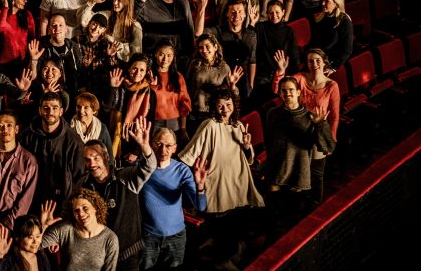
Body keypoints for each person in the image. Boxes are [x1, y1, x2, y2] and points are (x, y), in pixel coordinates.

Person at [177, 88, 264, 262]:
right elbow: (188, 155)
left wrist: (247, 146)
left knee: (234, 225)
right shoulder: (209, 125)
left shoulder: (238, 125)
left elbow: (249, 160)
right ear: (214, 108)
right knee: (221, 226)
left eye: (228, 105)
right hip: (218, 186)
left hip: (237, 184)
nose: (225, 109)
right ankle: (222, 259)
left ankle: (232, 254)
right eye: (220, 106)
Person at [79, 118, 156, 271]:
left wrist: (144, 146)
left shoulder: (125, 177)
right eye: (88, 160)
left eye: (96, 158)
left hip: (128, 255)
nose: (92, 164)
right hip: (101, 256)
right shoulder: (84, 186)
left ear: (107, 157)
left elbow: (149, 166)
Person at [272, 48, 340, 206]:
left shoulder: (332, 86)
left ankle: (316, 206)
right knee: (300, 172)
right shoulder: (300, 79)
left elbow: (334, 116)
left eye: (317, 60)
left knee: (316, 174)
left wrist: (331, 140)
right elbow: (278, 89)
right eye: (310, 61)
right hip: (299, 132)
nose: (314, 64)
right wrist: (281, 71)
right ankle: (300, 205)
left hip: (317, 133)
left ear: (324, 62)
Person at [139, 126, 207, 270]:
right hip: (149, 235)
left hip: (176, 236)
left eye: (168, 145)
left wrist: (200, 187)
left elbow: (200, 207)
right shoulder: (141, 168)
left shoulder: (182, 170)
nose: (163, 150)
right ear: (151, 144)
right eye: (159, 144)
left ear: (175, 148)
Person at [264, 76, 334, 204]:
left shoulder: (310, 116)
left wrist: (321, 124)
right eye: (283, 90)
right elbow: (269, 142)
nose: (287, 93)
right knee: (275, 207)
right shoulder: (272, 114)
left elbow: (327, 147)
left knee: (294, 207)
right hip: (277, 169)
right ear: (280, 93)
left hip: (298, 170)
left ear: (298, 92)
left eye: (291, 90)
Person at [22, 91, 85, 209]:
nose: (50, 112)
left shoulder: (74, 141)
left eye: (54, 108)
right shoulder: (27, 136)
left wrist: (69, 205)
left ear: (61, 111)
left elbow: (79, 178)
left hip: (61, 203)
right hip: (31, 199)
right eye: (46, 108)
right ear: (40, 110)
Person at [38, 189, 120, 271]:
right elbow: (34, 246)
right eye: (76, 210)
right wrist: (43, 226)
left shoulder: (110, 238)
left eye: (85, 208)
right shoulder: (65, 230)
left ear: (95, 208)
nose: (81, 213)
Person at [310, 0, 353, 71]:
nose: (322, 3)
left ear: (336, 4)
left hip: (332, 61)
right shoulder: (321, 18)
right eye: (323, 0)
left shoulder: (345, 22)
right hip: (318, 57)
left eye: (327, 1)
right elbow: (315, 41)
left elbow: (347, 50)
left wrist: (333, 67)